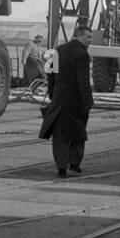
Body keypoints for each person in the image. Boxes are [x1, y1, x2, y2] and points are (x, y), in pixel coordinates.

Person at [38, 21, 93, 177]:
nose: (90, 40)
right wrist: (88, 101)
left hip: (59, 97)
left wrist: (52, 95)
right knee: (78, 131)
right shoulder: (82, 54)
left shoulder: (58, 51)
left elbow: (50, 75)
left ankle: (61, 167)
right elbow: (83, 81)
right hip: (75, 98)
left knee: (59, 134)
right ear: (78, 36)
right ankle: (74, 164)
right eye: (88, 37)